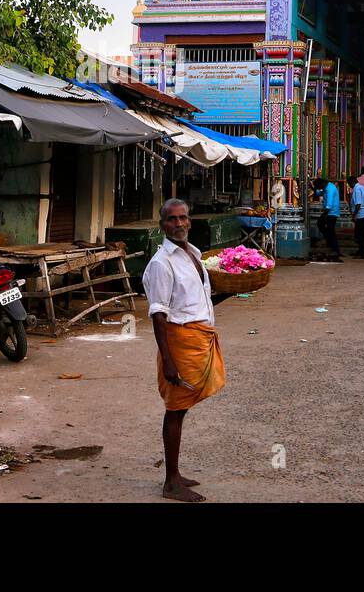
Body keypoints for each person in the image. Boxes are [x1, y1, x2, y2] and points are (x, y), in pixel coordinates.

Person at [141, 199, 226, 502]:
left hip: (199, 338)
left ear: (190, 220)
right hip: (179, 343)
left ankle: (175, 474)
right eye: (172, 219)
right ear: (162, 225)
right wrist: (168, 360)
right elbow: (158, 315)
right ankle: (171, 482)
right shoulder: (161, 263)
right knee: (175, 409)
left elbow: (198, 300)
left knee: (182, 408)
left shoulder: (194, 254)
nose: (179, 224)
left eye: (183, 218)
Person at [313, 177, 342, 261]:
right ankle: (331, 244)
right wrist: (313, 188)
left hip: (331, 213)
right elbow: (319, 193)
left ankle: (334, 248)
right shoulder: (326, 187)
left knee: (329, 230)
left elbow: (329, 204)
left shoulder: (330, 189)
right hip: (330, 212)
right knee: (326, 228)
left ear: (321, 184)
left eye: (318, 186)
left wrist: (324, 215)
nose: (319, 188)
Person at [349, 174, 364, 259]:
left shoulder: (357, 189)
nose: (349, 186)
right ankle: (360, 251)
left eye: (349, 184)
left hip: (360, 215)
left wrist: (354, 215)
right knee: (360, 234)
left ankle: (362, 253)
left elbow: (358, 204)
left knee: (360, 235)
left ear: (352, 182)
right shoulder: (363, 187)